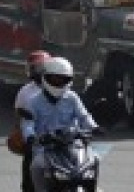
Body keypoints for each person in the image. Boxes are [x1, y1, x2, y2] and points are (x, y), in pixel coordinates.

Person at [22, 57, 101, 192]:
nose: (58, 83)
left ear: (69, 80)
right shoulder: (33, 102)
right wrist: (31, 137)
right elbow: (28, 124)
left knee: (95, 159)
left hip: (72, 146)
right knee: (37, 166)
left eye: (62, 79)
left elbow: (84, 116)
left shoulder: (72, 98)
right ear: (45, 78)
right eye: (54, 79)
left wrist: (94, 127)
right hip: (46, 148)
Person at [15, 51, 51, 192]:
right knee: (29, 181)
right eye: (33, 68)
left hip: (57, 140)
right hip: (34, 140)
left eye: (38, 68)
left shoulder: (59, 89)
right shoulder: (25, 91)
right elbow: (19, 114)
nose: (35, 71)